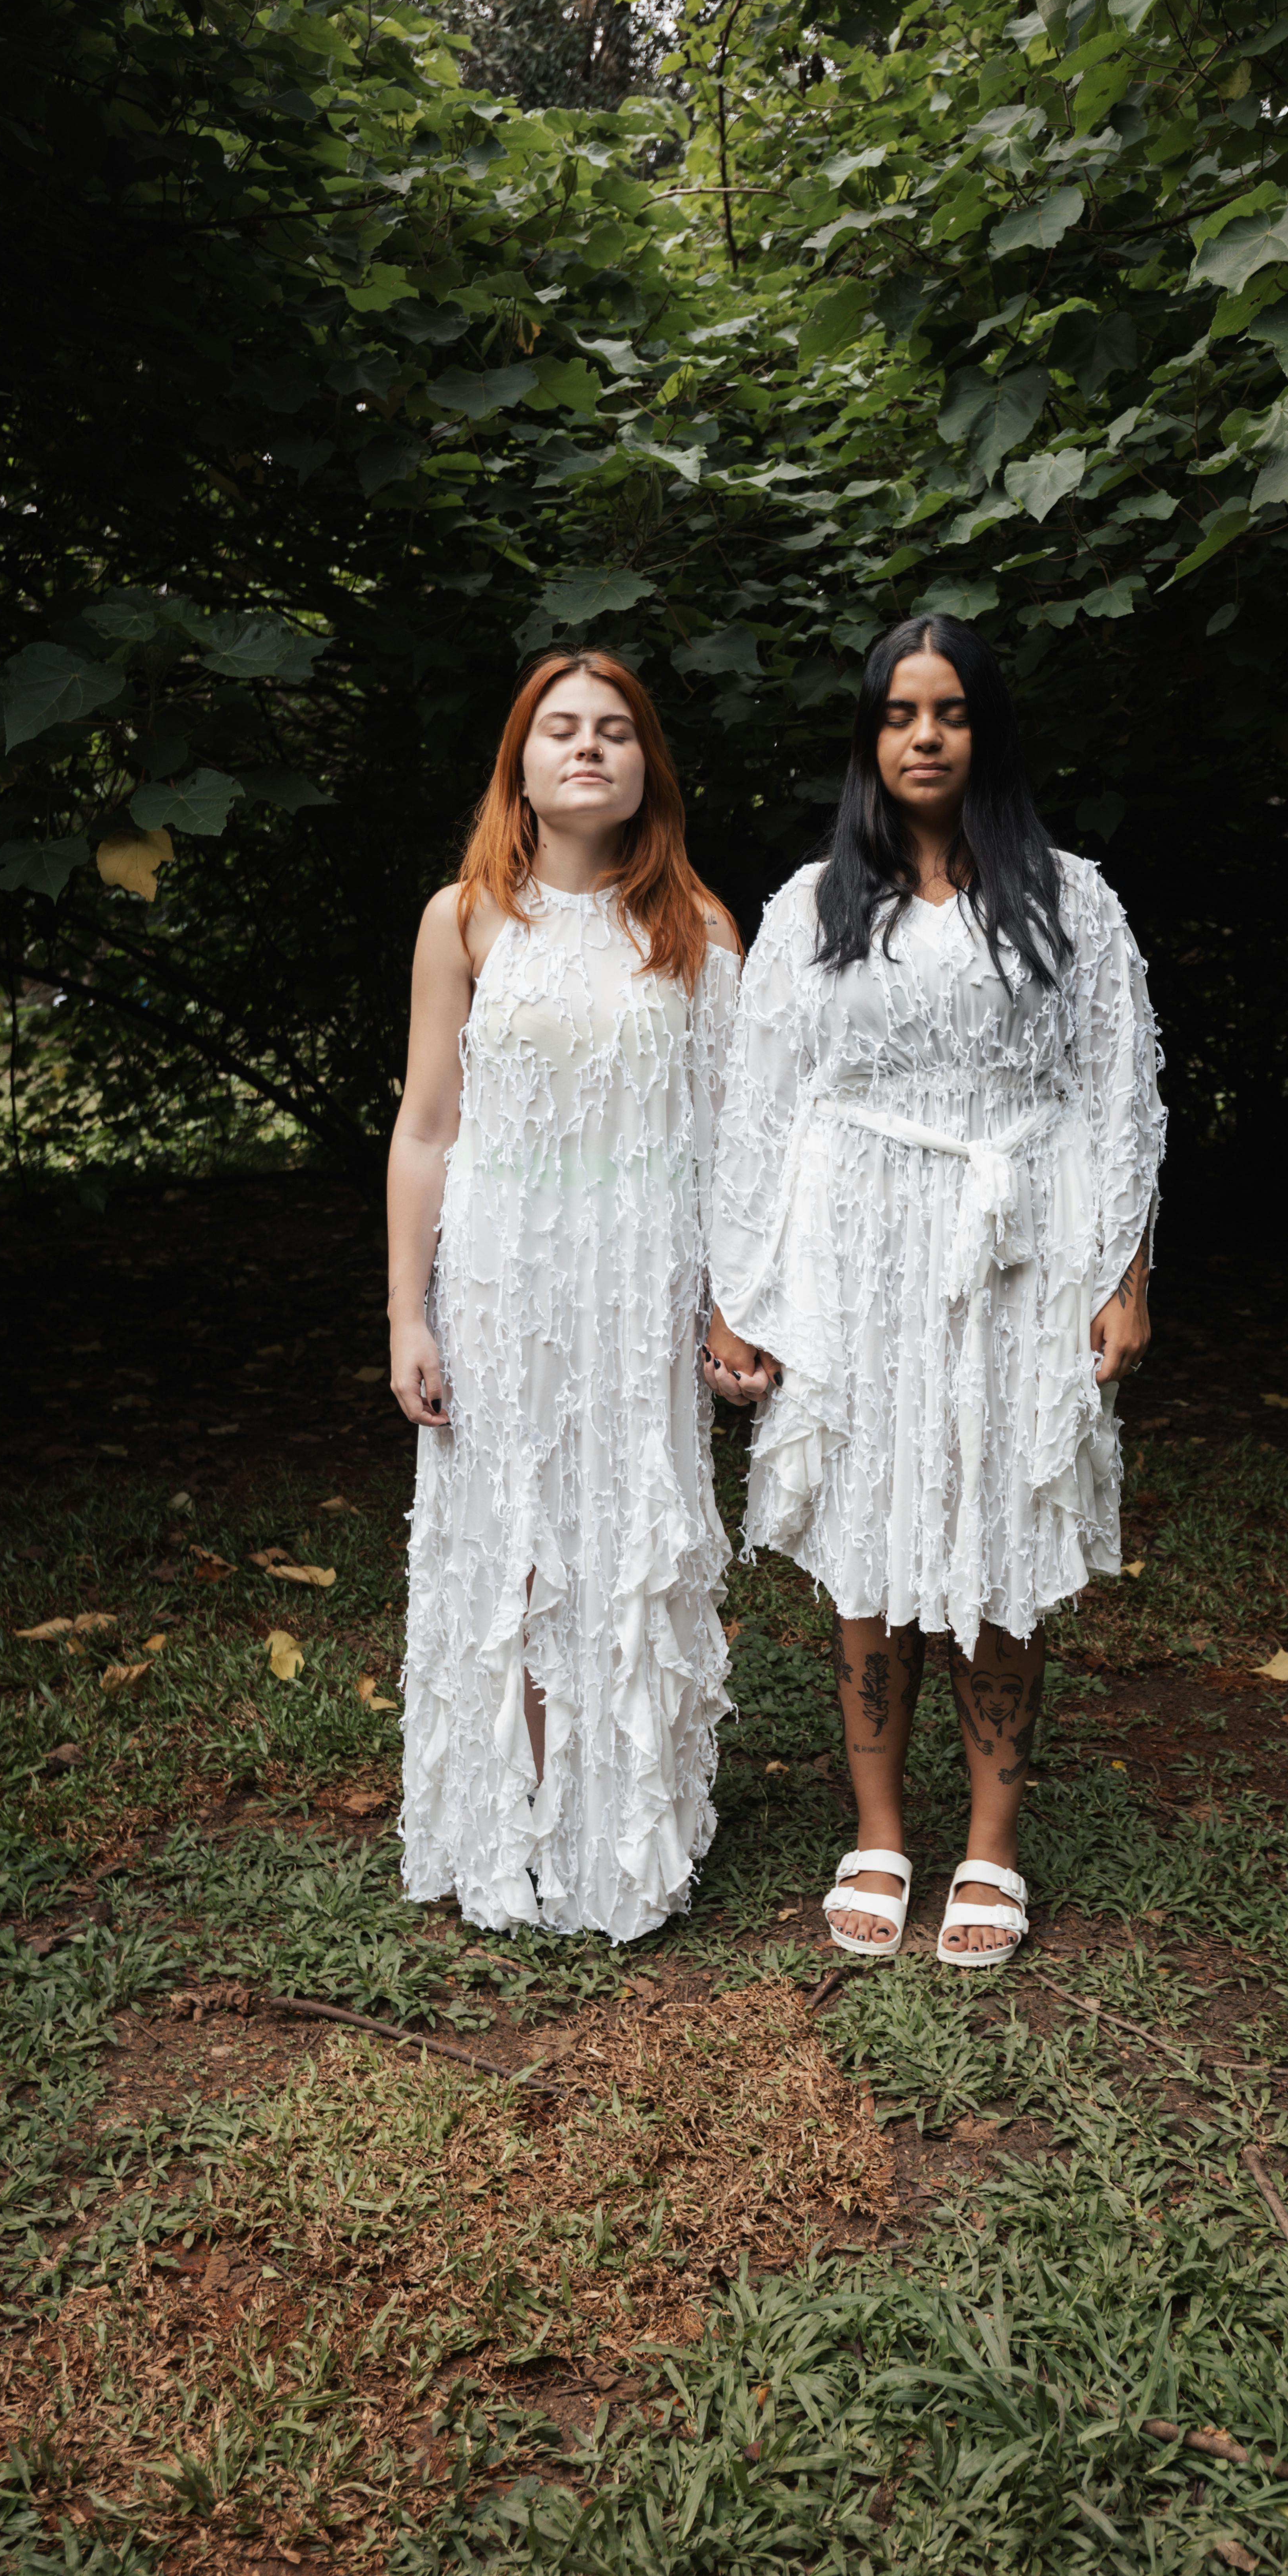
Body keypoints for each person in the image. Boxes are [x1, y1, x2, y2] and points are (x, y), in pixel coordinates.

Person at [702, 615, 1163, 1966]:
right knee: (870, 1527)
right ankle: (882, 1828)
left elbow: (1120, 1092)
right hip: (857, 1251)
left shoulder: (1072, 899)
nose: (923, 735)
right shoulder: (811, 906)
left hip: (1022, 1243)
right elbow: (760, 1111)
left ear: (985, 731)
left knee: (1003, 1522)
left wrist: (1124, 1274)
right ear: (869, 737)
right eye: (899, 714)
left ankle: (993, 1846)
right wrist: (744, 1293)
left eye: (950, 711)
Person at [388, 651, 742, 1939]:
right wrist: (405, 1313)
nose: (586, 748)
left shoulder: (697, 931)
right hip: (500, 1282)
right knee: (517, 1547)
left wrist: (728, 1307)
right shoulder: (467, 917)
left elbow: (730, 1139)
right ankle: (514, 1822)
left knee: (626, 1546)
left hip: (640, 1285)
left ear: (647, 766)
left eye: (613, 732)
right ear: (520, 767)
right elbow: (427, 1125)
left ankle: (622, 1828)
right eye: (559, 731)